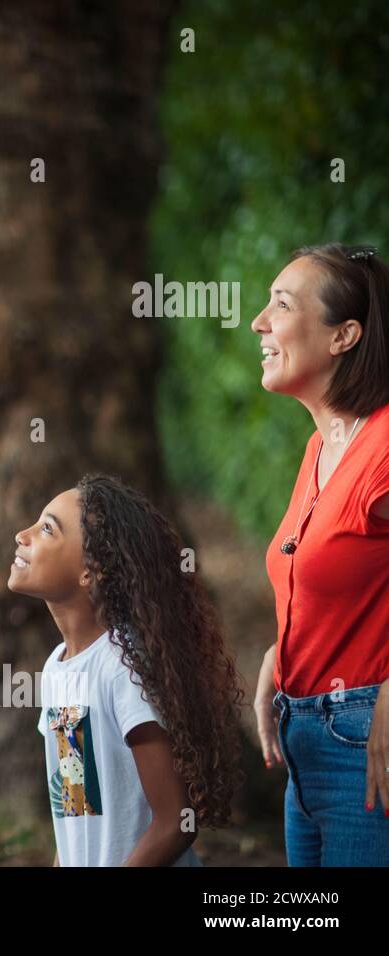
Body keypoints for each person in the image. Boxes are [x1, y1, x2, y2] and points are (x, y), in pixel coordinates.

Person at [8, 475, 244, 866]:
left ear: (90, 570)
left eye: (47, 528)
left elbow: (177, 824)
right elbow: (76, 806)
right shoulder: (57, 669)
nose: (22, 534)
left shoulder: (123, 669)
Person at [249, 243, 389, 866]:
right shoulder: (321, 448)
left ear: (344, 336)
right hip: (303, 743)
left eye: (281, 304)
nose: (258, 321)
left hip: (364, 749)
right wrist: (281, 654)